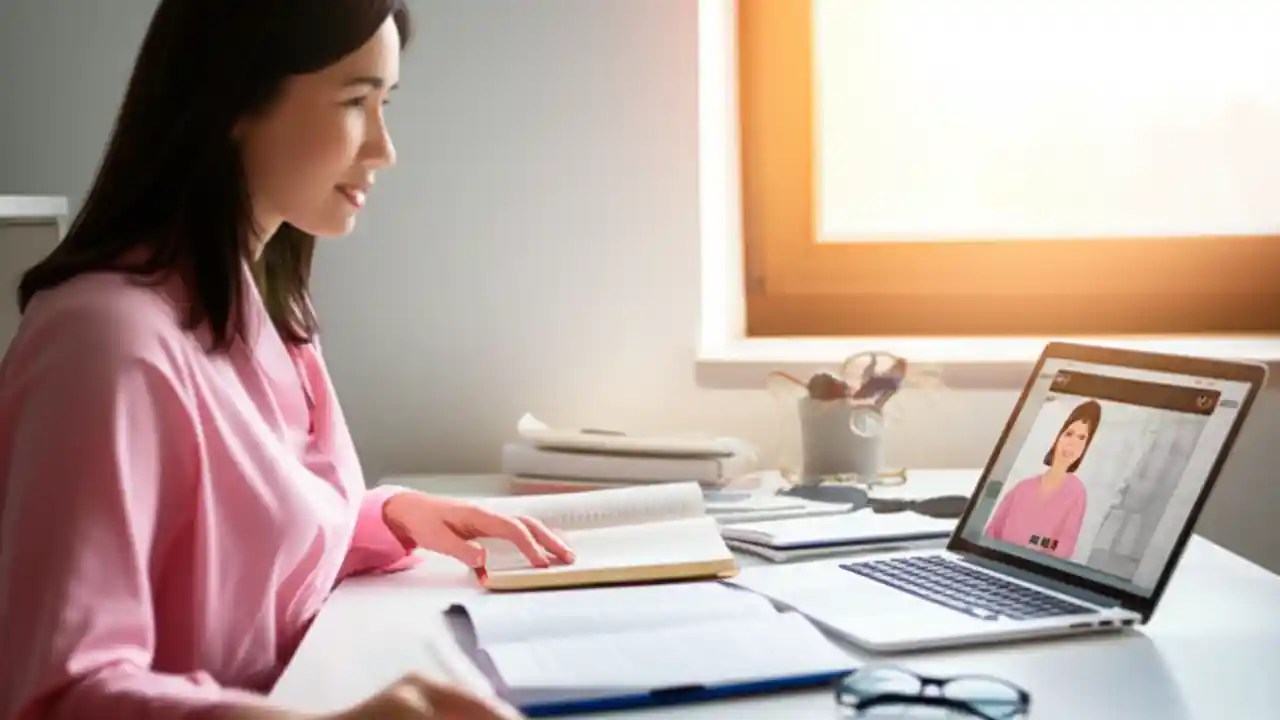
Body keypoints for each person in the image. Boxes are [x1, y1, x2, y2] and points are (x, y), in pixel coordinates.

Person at [0, 2, 573, 718]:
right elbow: (58, 694)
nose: (384, 148)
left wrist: (392, 517)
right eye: (357, 101)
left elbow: (244, 544)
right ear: (237, 97)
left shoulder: (267, 306)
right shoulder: (101, 345)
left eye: (385, 103)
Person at [984, 400, 1101, 560]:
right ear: (1058, 437)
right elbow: (991, 532)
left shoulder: (1077, 494)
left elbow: (1063, 548)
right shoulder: (1022, 488)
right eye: (1069, 434)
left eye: (1082, 438)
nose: (1072, 443)